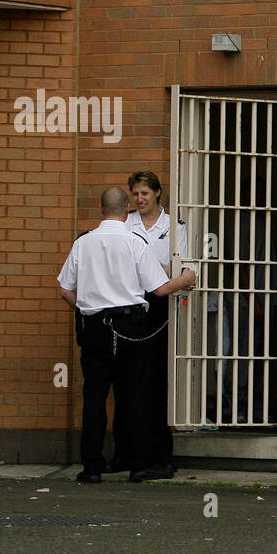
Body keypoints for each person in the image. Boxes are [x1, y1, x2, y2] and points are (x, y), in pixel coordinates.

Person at [57, 186, 196, 483]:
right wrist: (185, 279)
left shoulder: (83, 243)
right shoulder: (135, 242)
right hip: (130, 326)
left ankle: (92, 467)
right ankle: (140, 464)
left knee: (94, 398)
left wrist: (85, 308)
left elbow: (65, 288)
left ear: (100, 208)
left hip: (94, 327)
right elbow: (159, 288)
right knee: (135, 395)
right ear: (125, 210)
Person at [117, 171, 189, 473]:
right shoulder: (125, 224)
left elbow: (180, 264)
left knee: (157, 380)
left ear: (158, 193)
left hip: (161, 303)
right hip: (131, 302)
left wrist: (152, 268)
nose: (139, 199)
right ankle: (127, 453)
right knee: (128, 382)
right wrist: (156, 268)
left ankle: (159, 453)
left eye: (145, 193)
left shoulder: (174, 226)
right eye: (135, 194)